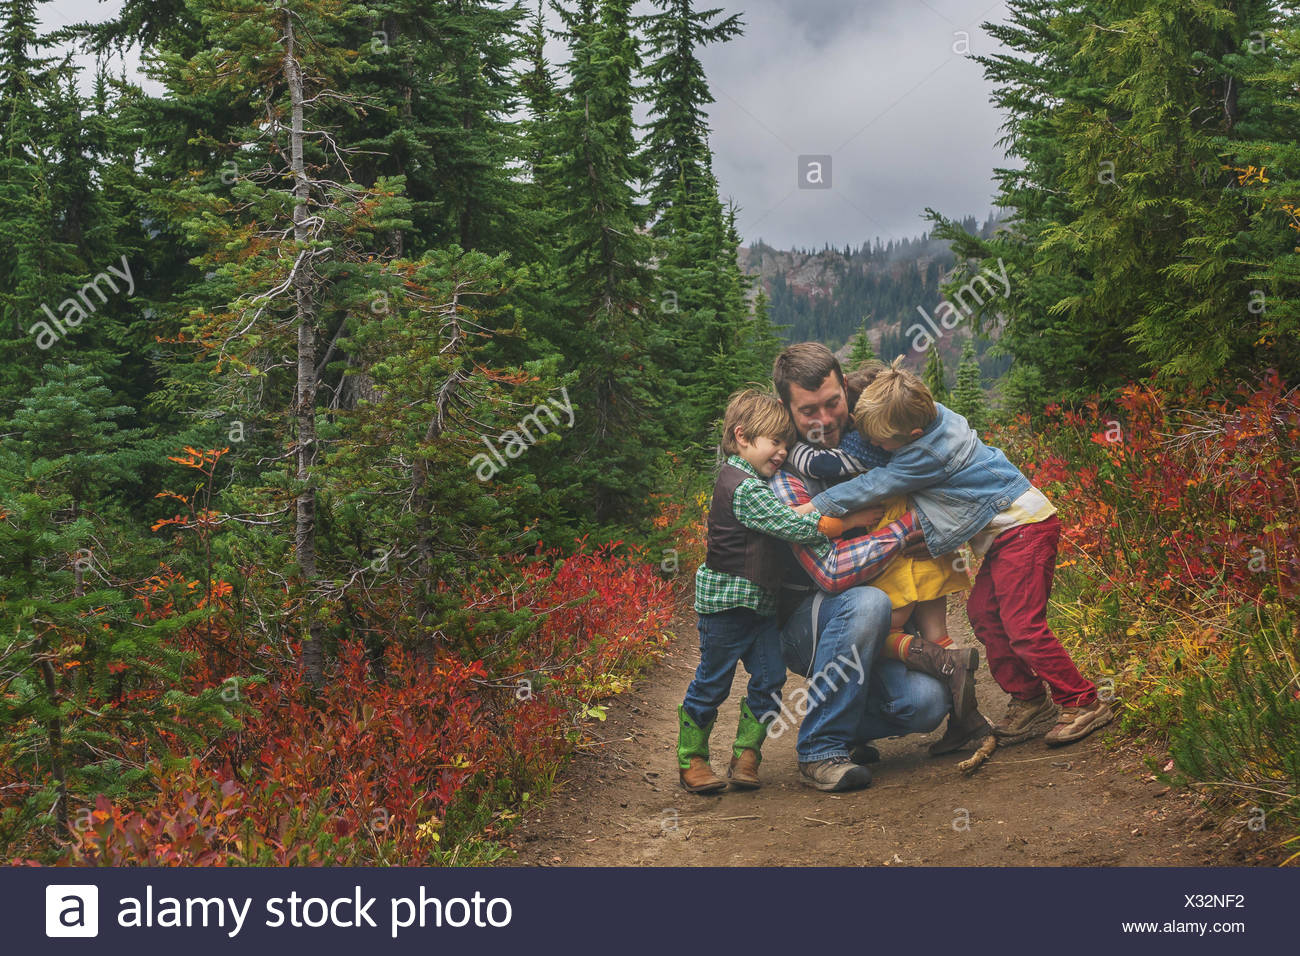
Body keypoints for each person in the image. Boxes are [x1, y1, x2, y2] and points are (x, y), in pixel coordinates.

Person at [810, 358, 1115, 746]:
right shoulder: (940, 418)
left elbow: (871, 485)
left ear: (913, 434)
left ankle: (1083, 700)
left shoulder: (925, 455)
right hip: (1009, 536)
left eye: (882, 441)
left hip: (1026, 531)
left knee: (1023, 627)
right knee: (985, 614)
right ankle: (1029, 698)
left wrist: (812, 507)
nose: (874, 446)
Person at [678, 389, 907, 794]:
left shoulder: (758, 481)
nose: (782, 451)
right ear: (742, 437)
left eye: (786, 442)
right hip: (726, 609)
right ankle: (692, 758)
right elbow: (789, 524)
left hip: (761, 609)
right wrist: (842, 521)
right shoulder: (743, 487)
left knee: (769, 679)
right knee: (713, 681)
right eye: (774, 442)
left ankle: (746, 755)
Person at [769, 344, 974, 793]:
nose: (824, 419)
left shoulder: (877, 439)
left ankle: (851, 728)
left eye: (832, 402)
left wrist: (934, 529)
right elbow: (831, 574)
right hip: (808, 625)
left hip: (874, 622)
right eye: (808, 411)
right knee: (866, 602)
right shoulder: (786, 474)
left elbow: (936, 470)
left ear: (846, 388)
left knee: (927, 704)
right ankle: (821, 749)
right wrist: (903, 533)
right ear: (787, 409)